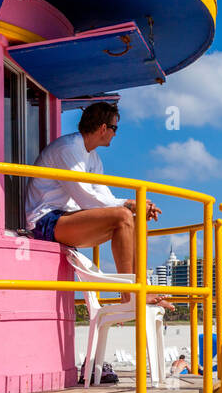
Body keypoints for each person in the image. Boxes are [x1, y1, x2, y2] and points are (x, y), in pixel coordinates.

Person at [24, 102, 171, 306]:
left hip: (67, 218)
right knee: (123, 216)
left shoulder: (92, 157)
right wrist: (129, 204)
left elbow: (102, 196)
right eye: (114, 128)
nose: (115, 134)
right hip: (45, 221)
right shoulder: (68, 149)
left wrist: (134, 206)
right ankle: (130, 295)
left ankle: (141, 287)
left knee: (135, 220)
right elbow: (86, 198)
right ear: (103, 128)